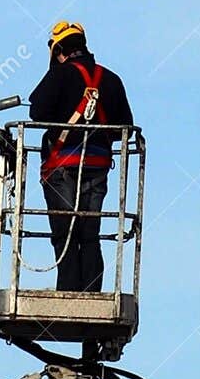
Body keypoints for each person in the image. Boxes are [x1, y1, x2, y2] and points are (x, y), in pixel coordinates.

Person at [29, 21, 135, 293]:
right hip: (97, 169)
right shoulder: (111, 80)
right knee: (89, 235)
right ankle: (90, 294)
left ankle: (66, 293)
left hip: (61, 168)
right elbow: (126, 125)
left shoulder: (59, 75)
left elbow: (37, 111)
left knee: (65, 235)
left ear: (59, 50)